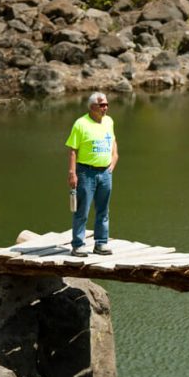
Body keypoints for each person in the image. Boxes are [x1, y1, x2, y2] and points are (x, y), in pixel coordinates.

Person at [66, 92, 119, 257]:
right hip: (85, 172)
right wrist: (72, 173)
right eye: (102, 105)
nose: (105, 108)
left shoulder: (109, 121)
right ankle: (78, 245)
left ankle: (101, 243)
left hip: (105, 173)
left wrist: (114, 158)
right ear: (92, 107)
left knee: (103, 210)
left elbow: (113, 141)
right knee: (82, 210)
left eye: (106, 104)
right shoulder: (81, 124)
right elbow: (73, 150)